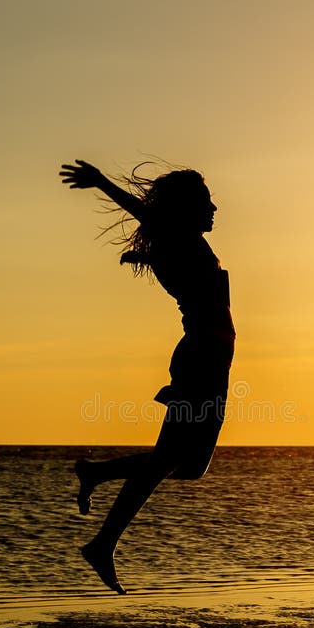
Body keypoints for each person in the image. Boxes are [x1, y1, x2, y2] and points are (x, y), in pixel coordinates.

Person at [59, 159, 236, 594]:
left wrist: (146, 254)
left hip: (212, 362)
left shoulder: (185, 243)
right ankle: (102, 540)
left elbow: (172, 251)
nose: (215, 208)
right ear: (186, 210)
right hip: (201, 360)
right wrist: (101, 182)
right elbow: (153, 217)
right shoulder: (180, 237)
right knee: (168, 459)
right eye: (207, 202)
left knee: (190, 467)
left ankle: (98, 481)